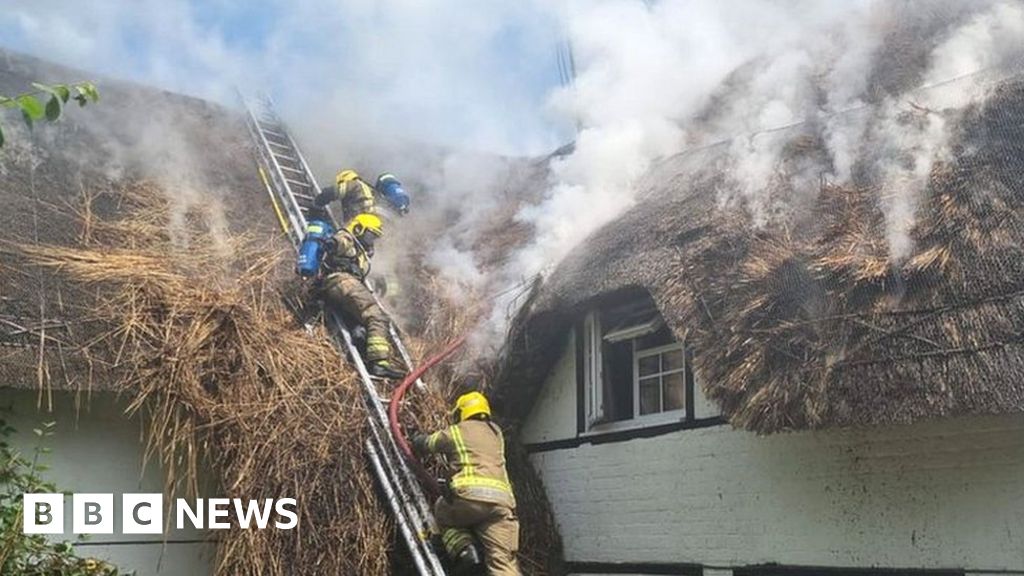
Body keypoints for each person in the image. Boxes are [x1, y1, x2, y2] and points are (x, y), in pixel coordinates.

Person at [413, 391, 521, 576]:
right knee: (503, 562)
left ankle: (464, 550)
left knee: (442, 512)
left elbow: (430, 443)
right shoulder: (496, 433)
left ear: (461, 412)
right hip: (502, 506)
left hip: (469, 498)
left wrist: (416, 439)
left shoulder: (459, 430)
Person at [320, 213, 405, 379]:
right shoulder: (348, 238)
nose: (372, 240)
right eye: (371, 234)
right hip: (343, 281)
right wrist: (332, 243)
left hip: (337, 286)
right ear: (359, 229)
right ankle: (379, 363)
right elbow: (340, 242)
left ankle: (359, 336)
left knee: (360, 323)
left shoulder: (360, 252)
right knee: (377, 316)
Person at [313, 169, 377, 223]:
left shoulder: (354, 184)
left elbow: (333, 192)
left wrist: (317, 202)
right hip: (370, 222)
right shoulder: (369, 190)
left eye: (341, 183)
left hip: (360, 220)